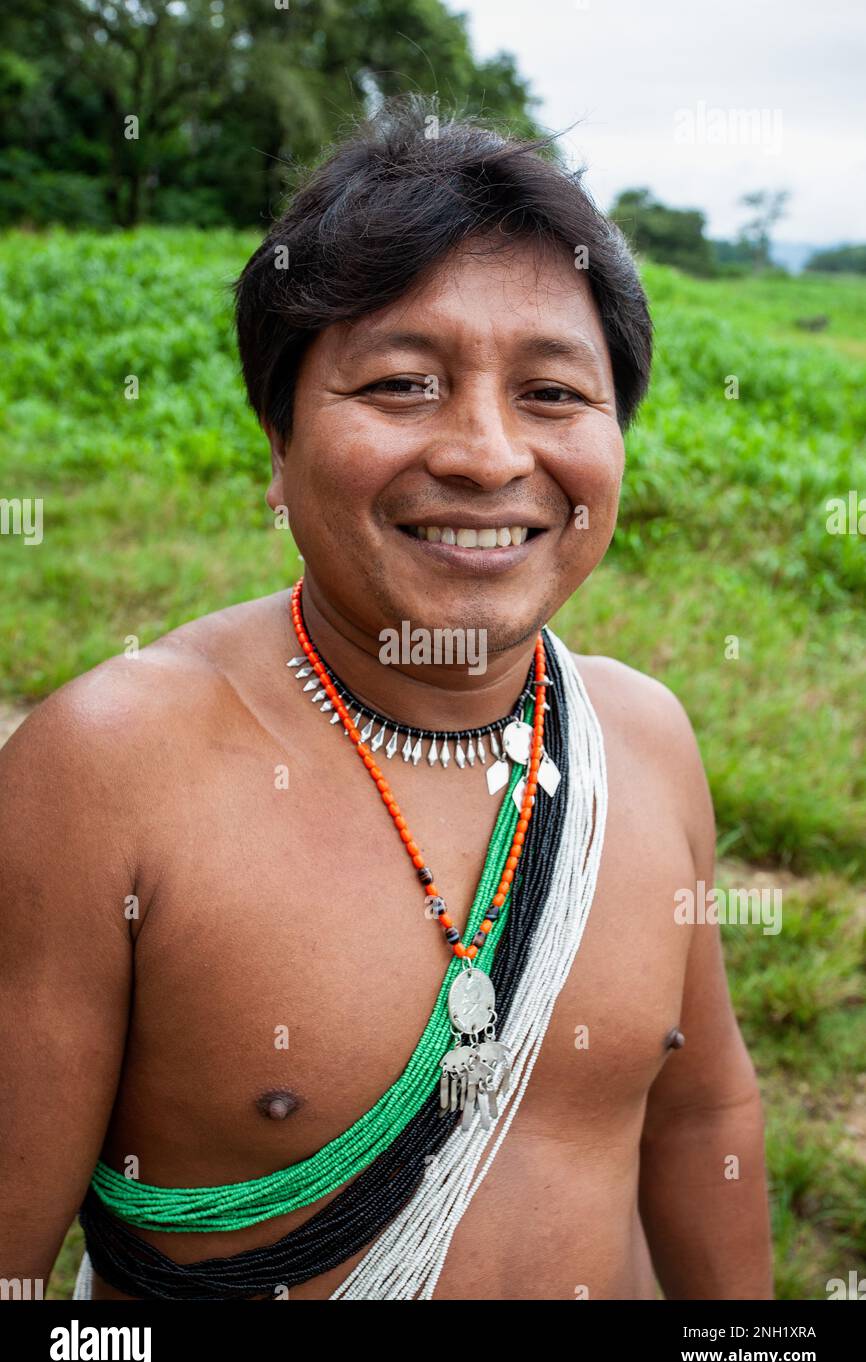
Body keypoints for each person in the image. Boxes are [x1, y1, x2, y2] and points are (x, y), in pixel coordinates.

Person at [0, 97, 773, 1301]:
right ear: (276, 435)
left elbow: (698, 1108)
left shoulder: (645, 740)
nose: (482, 453)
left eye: (553, 394)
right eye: (404, 384)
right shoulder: (104, 770)